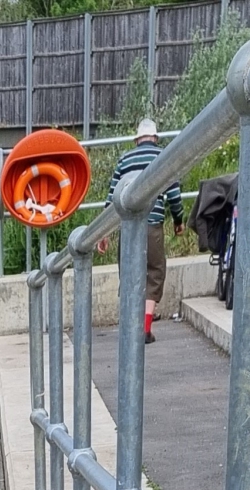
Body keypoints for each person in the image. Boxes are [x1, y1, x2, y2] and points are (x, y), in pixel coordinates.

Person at [101, 117, 185, 343]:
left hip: (127, 228)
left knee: (129, 274)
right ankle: (145, 329)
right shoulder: (163, 157)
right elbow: (174, 196)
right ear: (155, 138)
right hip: (152, 225)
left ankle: (131, 327)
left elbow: (112, 198)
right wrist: (178, 220)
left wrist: (104, 232)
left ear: (137, 139)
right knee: (154, 273)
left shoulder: (124, 160)